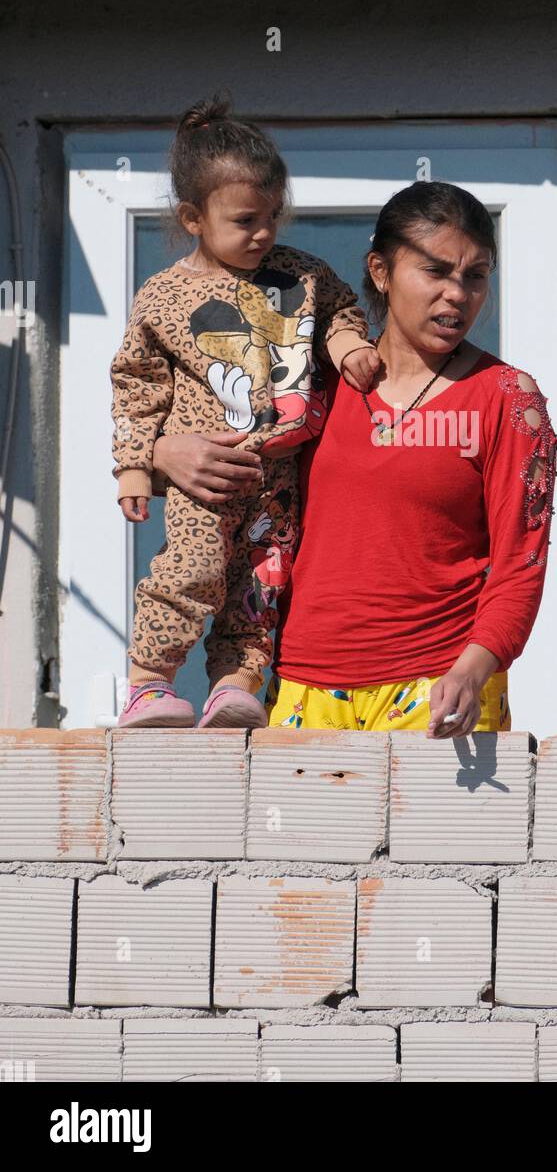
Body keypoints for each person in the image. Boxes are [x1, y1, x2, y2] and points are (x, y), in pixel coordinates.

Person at [152, 180, 557, 738]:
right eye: (436, 271)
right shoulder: (308, 381)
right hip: (302, 685)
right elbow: (225, 453)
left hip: (442, 688)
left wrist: (475, 667)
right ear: (380, 272)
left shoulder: (510, 400)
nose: (458, 294)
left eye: (476, 275)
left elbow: (521, 564)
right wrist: (162, 453)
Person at [110, 96, 378, 730]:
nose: (263, 234)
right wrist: (133, 467)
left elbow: (339, 312)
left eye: (272, 217)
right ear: (192, 217)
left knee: (262, 585)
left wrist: (349, 347)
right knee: (193, 570)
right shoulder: (165, 295)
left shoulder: (302, 274)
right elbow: (136, 383)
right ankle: (149, 682)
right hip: (207, 474)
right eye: (245, 220)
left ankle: (236, 686)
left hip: (279, 479)